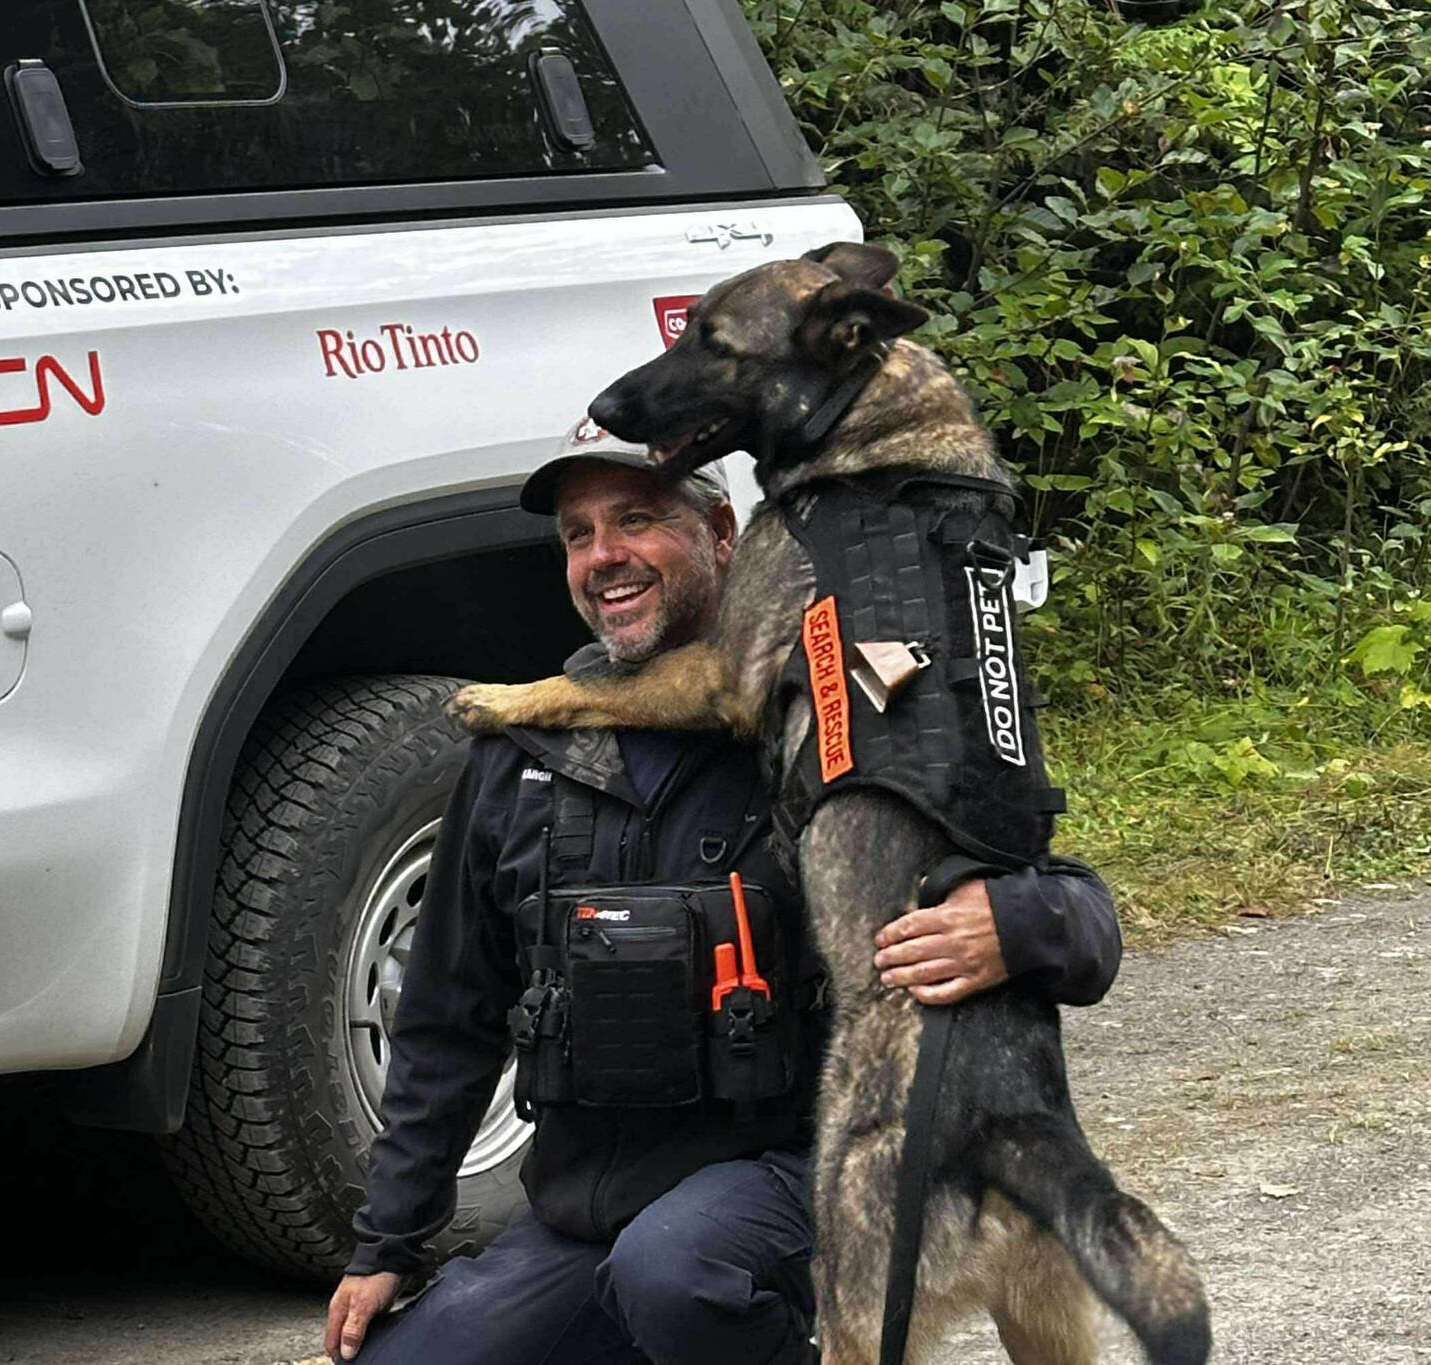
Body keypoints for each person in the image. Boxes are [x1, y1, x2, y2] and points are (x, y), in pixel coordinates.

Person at [321, 419, 1123, 1365]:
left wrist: (1013, 921)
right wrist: (388, 1242)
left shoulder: (839, 713)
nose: (605, 555)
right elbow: (447, 1015)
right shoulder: (522, 752)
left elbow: (1082, 915)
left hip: (797, 1176)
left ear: (722, 535)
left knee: (683, 1275)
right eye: (580, 535)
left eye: (637, 519)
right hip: (594, 1214)